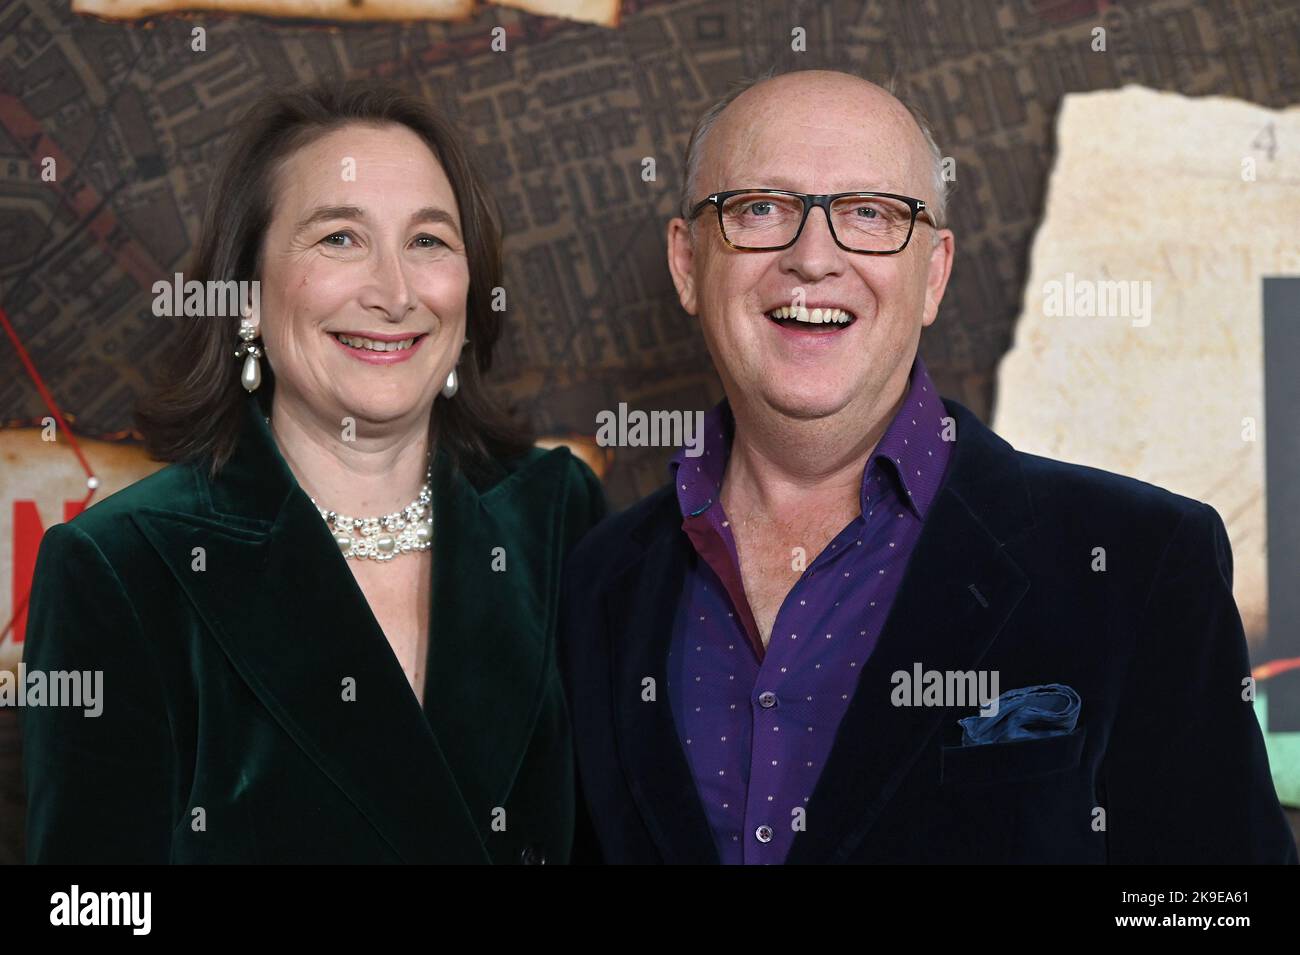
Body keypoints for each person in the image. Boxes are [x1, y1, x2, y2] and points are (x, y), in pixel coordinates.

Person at [558, 68, 1297, 864]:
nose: (813, 258)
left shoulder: (1141, 560)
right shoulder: (599, 580)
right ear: (686, 263)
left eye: (869, 213)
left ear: (934, 273)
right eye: (760, 208)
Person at [22, 79, 605, 864]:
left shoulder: (558, 513)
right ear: (248, 296)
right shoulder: (122, 568)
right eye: (339, 238)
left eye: (429, 241)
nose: (394, 293)